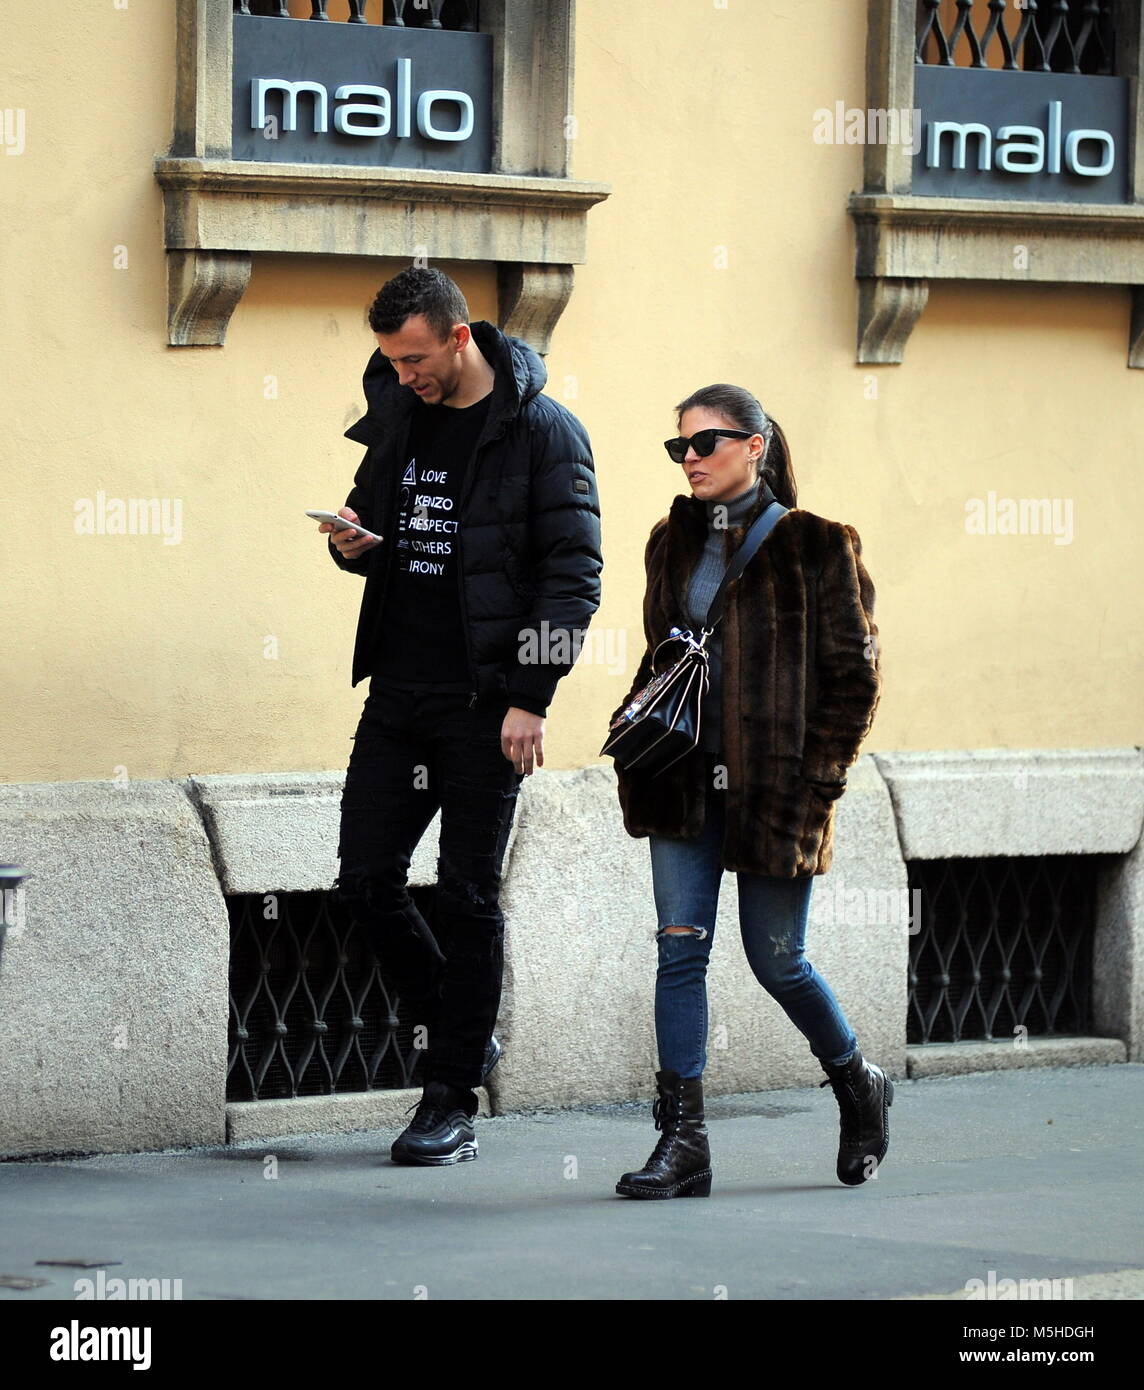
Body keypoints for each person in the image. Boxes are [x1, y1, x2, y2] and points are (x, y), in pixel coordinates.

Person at [318, 266, 601, 1165]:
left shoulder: (543, 432)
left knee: (466, 894)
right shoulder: (402, 412)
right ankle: (464, 1035)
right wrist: (352, 545)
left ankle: (449, 1100)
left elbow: (573, 579)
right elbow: (381, 529)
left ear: (459, 336)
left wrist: (530, 698)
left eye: (414, 359)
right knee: (364, 880)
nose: (404, 376)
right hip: (398, 693)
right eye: (392, 362)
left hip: (487, 704)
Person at [610, 384, 889, 1198]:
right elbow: (664, 657)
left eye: (707, 443)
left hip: (775, 788)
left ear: (755, 445)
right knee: (679, 950)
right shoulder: (669, 542)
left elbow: (855, 677)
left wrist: (819, 782)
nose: (690, 459)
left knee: (777, 961)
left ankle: (857, 1082)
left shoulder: (818, 545)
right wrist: (635, 732)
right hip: (681, 782)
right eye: (680, 447)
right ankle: (684, 1143)